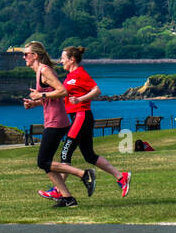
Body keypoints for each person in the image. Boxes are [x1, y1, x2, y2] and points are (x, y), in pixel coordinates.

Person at [46, 46, 131, 203]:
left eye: (63, 57)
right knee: (89, 155)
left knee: (66, 153)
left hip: (81, 116)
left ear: (72, 59)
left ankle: (58, 190)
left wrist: (80, 99)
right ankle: (121, 177)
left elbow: (97, 90)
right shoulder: (70, 76)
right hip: (78, 117)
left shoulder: (80, 73)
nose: (61, 60)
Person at [21, 42, 72, 205]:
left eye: (26, 54)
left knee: (43, 161)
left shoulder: (44, 70)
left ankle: (82, 174)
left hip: (57, 121)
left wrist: (40, 97)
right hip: (54, 120)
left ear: (35, 56)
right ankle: (67, 198)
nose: (24, 57)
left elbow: (63, 91)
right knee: (45, 162)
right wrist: (34, 102)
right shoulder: (39, 72)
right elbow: (51, 96)